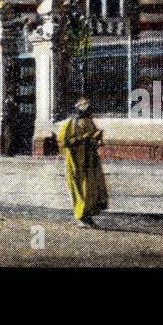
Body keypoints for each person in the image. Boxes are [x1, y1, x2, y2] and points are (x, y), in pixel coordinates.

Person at [57, 97, 108, 227]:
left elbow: (93, 138)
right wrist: (82, 138)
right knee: (80, 189)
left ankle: (88, 215)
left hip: (90, 160)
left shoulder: (89, 122)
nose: (90, 112)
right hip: (76, 162)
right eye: (87, 110)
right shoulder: (71, 124)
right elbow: (65, 142)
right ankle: (81, 216)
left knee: (91, 188)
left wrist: (97, 138)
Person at [0, 90, 19, 157]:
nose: (12, 96)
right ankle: (6, 152)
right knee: (8, 137)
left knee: (10, 137)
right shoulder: (7, 103)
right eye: (11, 95)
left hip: (11, 122)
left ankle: (9, 152)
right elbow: (8, 113)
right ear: (9, 96)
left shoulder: (12, 102)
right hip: (8, 122)